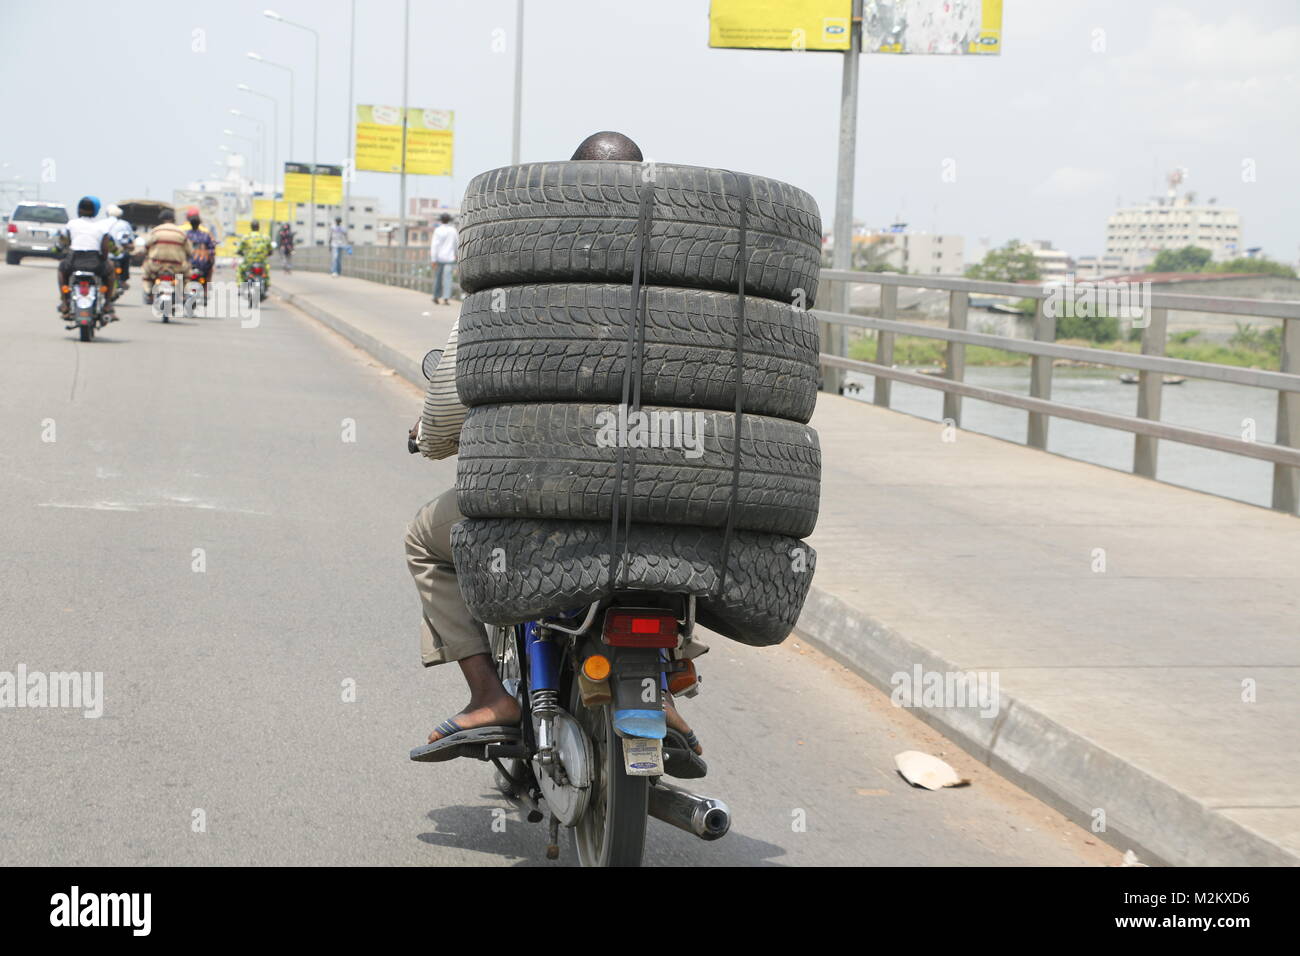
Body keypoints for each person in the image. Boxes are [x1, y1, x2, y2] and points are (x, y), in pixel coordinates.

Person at [403, 130, 702, 759]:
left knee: (425, 540)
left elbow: (454, 398)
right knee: (688, 543)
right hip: (666, 493)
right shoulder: (703, 288)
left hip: (542, 493)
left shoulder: (525, 277)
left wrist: (429, 441)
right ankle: (663, 689)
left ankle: (492, 695)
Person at [56, 196, 117, 319]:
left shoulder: (71, 224)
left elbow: (65, 242)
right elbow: (105, 249)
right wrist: (104, 260)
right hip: (95, 263)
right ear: (96, 211)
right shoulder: (102, 226)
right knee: (111, 271)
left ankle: (65, 302)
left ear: (79, 209)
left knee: (61, 270)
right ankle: (107, 304)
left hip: (74, 262)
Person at [103, 204, 135, 294]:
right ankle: (123, 280)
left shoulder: (101, 223)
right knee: (127, 256)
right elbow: (129, 243)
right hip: (118, 255)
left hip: (104, 255)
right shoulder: (125, 224)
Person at [184, 210, 217, 291]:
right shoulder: (205, 234)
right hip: (203, 264)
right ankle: (206, 289)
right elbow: (212, 248)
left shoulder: (186, 235)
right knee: (210, 268)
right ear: (199, 223)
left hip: (188, 264)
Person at [236, 219, 273, 290]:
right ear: (258, 227)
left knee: (240, 269)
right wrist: (268, 253)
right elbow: (270, 250)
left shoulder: (245, 237)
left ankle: (240, 285)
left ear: (251, 227)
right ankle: (267, 283)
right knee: (267, 268)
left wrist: (240, 252)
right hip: (261, 261)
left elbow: (240, 249)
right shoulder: (265, 237)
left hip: (249, 262)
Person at [429, 213, 457, 305]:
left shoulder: (438, 230)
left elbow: (434, 245)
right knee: (448, 278)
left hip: (439, 258)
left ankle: (436, 296)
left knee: (438, 278)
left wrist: (433, 259)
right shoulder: (453, 230)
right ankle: (446, 298)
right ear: (449, 220)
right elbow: (456, 243)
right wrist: (456, 254)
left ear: (441, 220)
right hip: (449, 258)